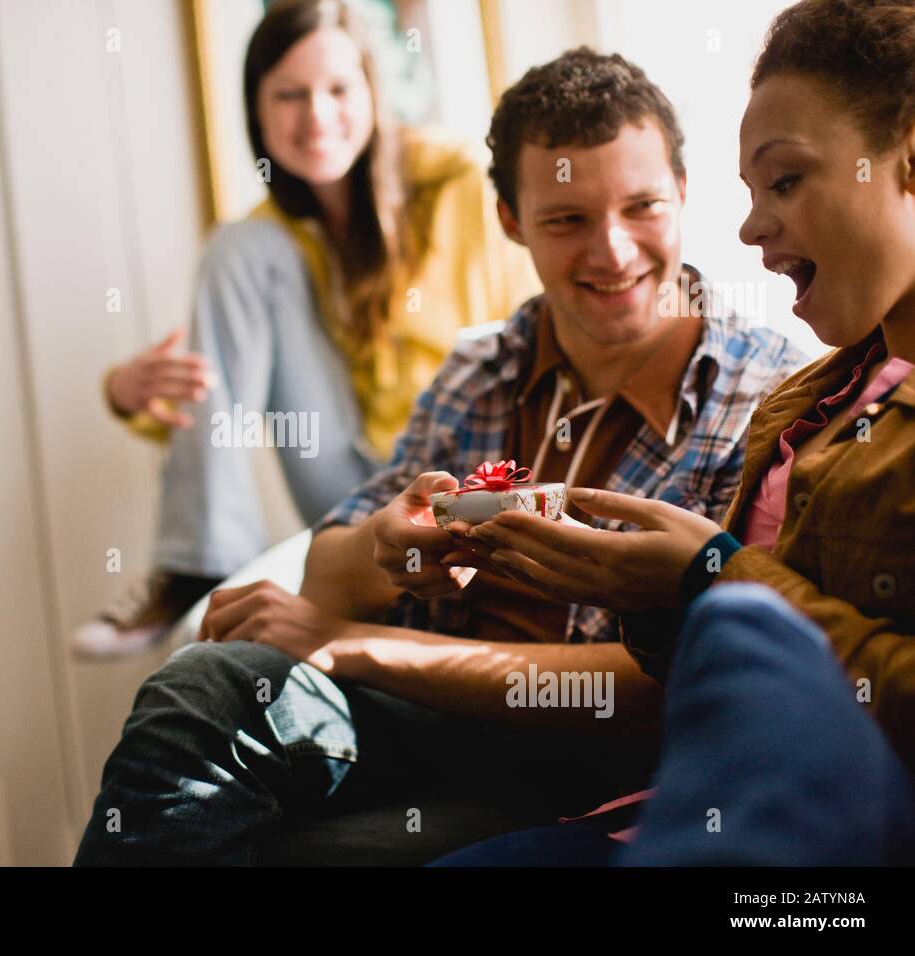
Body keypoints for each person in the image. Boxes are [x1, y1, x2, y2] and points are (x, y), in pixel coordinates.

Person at [72, 48, 808, 866]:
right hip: (431, 729)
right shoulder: (482, 366)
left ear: (682, 193)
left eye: (642, 207)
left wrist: (360, 645)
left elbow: (656, 689)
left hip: (593, 774)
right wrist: (389, 546)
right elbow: (330, 577)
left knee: (297, 850)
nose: (612, 252)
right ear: (508, 219)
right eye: (566, 220)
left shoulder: (763, 395)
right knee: (207, 684)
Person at [434, 0, 915, 866]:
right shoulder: (810, 399)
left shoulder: (753, 380)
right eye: (751, 191)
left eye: (788, 180)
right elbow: (716, 680)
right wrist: (652, 596)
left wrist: (708, 575)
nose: (751, 227)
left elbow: (765, 655)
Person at [74, 0, 536, 657]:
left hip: (454, 465)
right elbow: (221, 397)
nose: (316, 115)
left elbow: (530, 326)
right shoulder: (273, 237)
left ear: (373, 93)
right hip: (347, 477)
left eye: (338, 89)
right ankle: (196, 563)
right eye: (289, 95)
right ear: (257, 113)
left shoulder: (459, 180)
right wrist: (124, 395)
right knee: (239, 245)